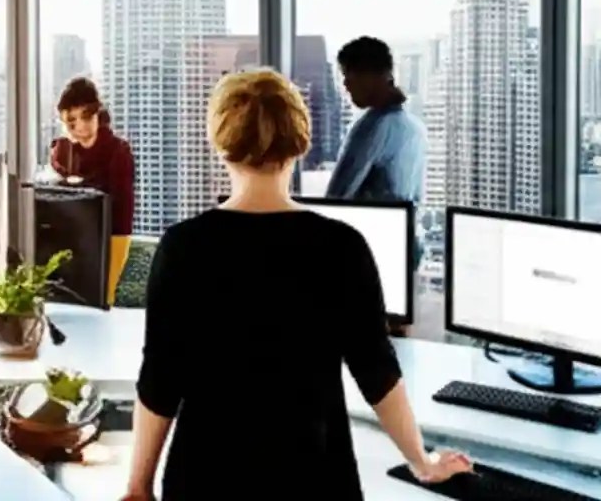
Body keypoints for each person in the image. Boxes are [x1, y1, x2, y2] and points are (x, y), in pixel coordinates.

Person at [122, 69, 471, 500]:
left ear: (221, 146)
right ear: (299, 144)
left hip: (205, 481)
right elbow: (377, 374)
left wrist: (138, 487)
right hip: (314, 480)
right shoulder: (341, 246)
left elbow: (159, 381)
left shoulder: (183, 247)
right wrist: (423, 463)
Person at [48, 77, 134, 305]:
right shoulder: (63, 152)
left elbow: (119, 202)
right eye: (72, 121)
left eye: (86, 116)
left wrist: (79, 185)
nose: (80, 127)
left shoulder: (118, 151)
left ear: (98, 113)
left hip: (112, 235)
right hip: (71, 234)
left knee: (101, 298)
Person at [327, 36, 426, 207]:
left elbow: (334, 199)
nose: (346, 84)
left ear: (372, 76)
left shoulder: (371, 128)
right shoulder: (416, 128)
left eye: (349, 74)